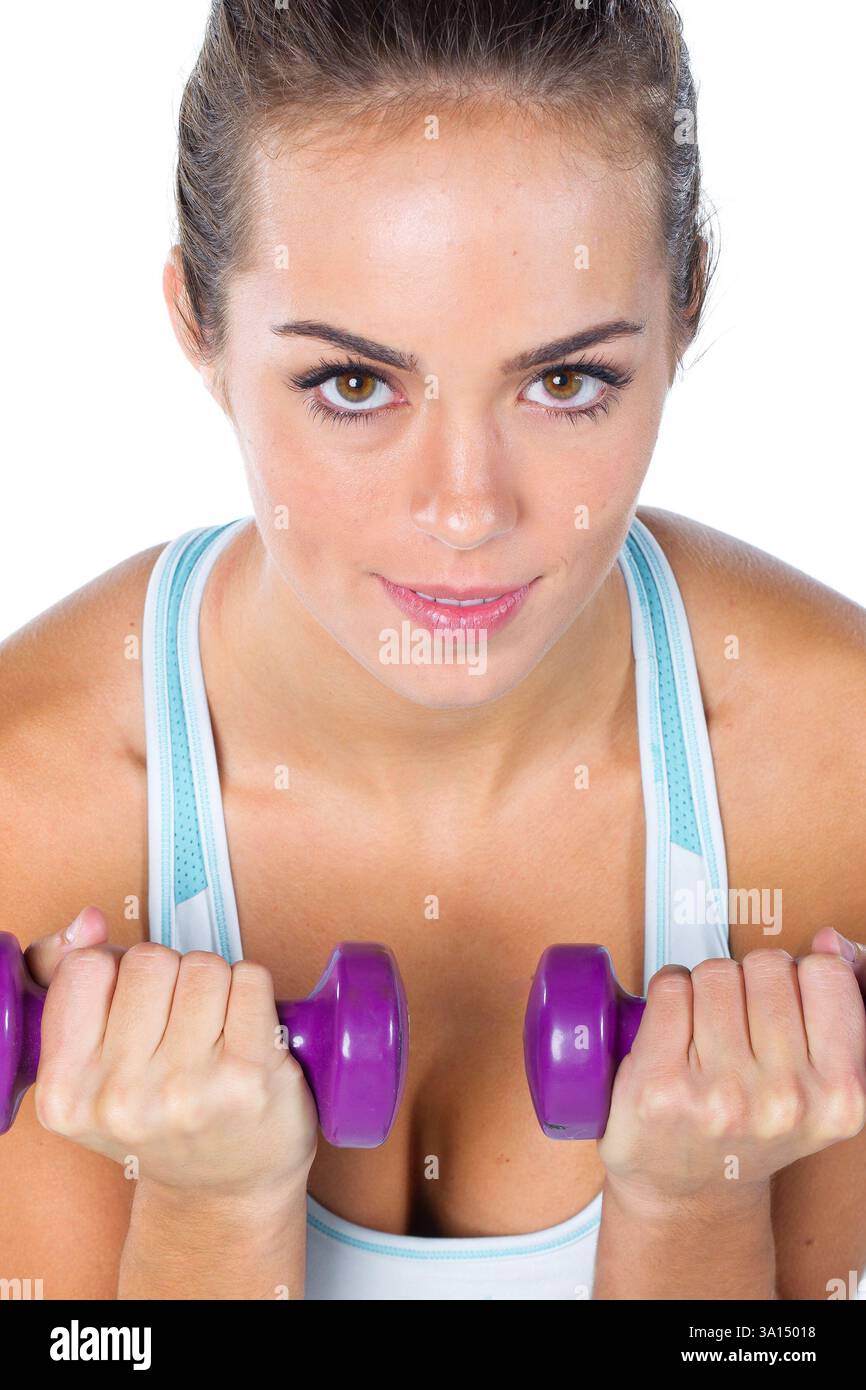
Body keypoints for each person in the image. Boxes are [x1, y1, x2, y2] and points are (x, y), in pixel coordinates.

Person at [0, 0, 864, 1301]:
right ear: (198, 325)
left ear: (681, 312)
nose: (465, 508)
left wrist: (698, 1215)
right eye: (353, 383)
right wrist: (207, 1213)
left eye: (564, 380)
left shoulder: (838, 777)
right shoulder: (26, 811)